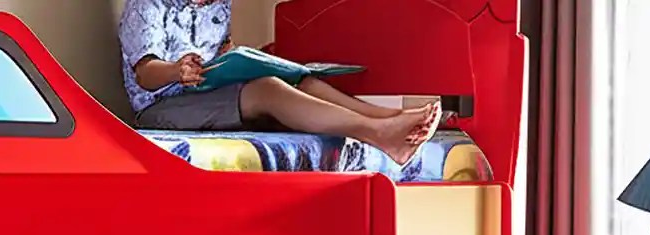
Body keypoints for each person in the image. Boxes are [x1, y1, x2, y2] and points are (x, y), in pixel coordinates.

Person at [119, 0, 438, 165]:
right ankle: (378, 134)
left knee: (303, 81)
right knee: (268, 89)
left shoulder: (218, 5)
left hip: (209, 93)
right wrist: (176, 70)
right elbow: (145, 73)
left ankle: (393, 119)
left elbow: (216, 50)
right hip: (163, 107)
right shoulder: (148, 5)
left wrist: (233, 57)